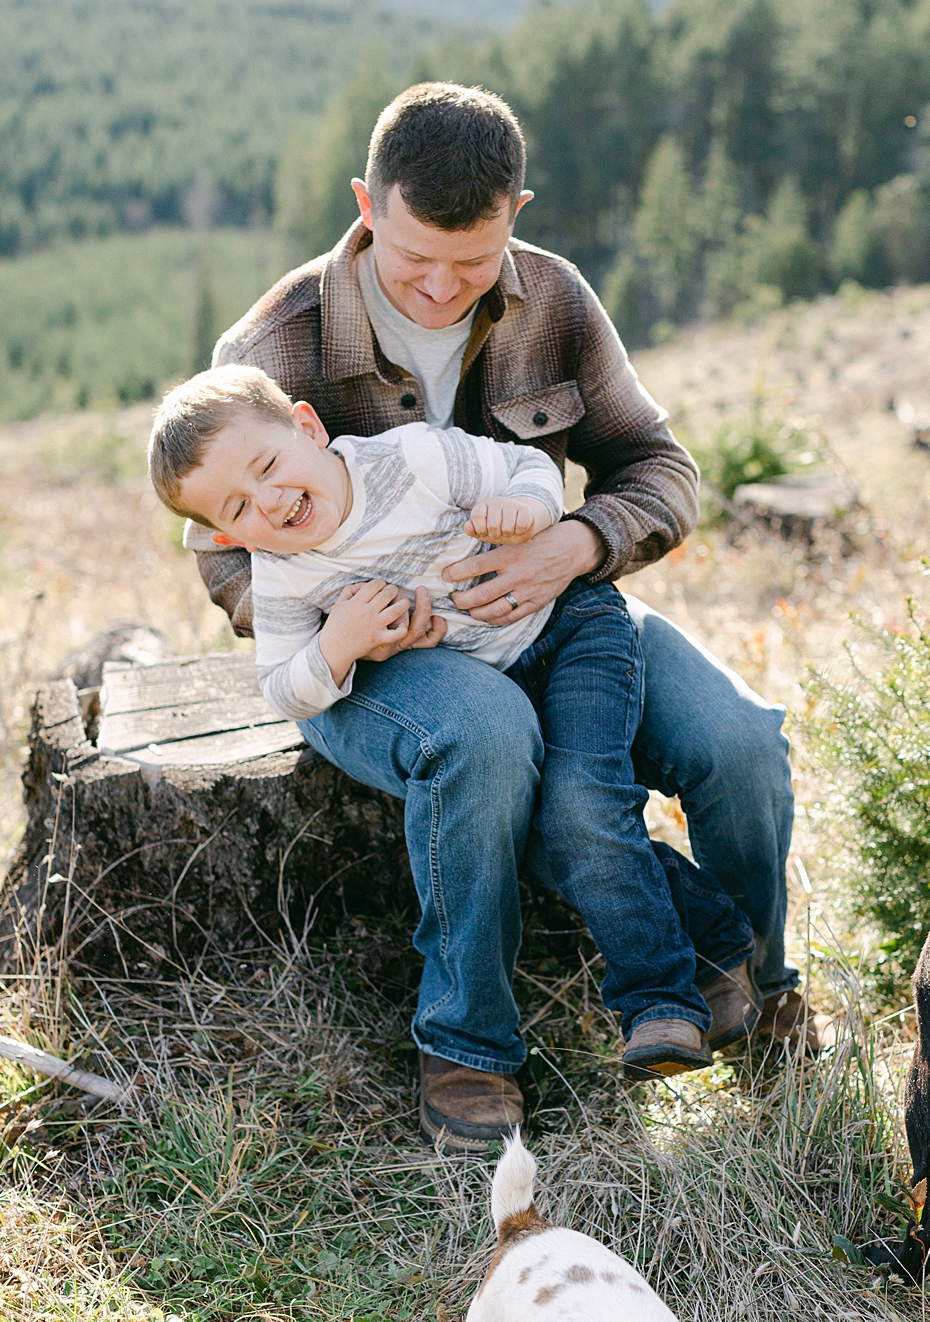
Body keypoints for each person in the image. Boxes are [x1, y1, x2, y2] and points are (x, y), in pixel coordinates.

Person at [184, 81, 827, 1152]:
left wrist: (574, 543)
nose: (439, 290)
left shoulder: (557, 301)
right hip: (383, 653)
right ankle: (466, 1042)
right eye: (410, 261)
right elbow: (218, 548)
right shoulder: (274, 340)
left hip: (553, 608)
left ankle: (750, 983)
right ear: (365, 203)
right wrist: (357, 622)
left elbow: (659, 467)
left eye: (470, 263)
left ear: (514, 214)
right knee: (488, 736)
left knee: (737, 743)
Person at [149, 366, 760, 1128]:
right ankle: (710, 947)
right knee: (556, 822)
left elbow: (530, 464)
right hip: (486, 667)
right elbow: (283, 687)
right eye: (239, 506)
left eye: (269, 467)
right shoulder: (283, 575)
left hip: (572, 630)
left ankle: (661, 1000)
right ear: (226, 535)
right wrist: (341, 646)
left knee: (584, 800)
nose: (269, 499)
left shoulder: (409, 458)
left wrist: (527, 506)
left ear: (307, 427)